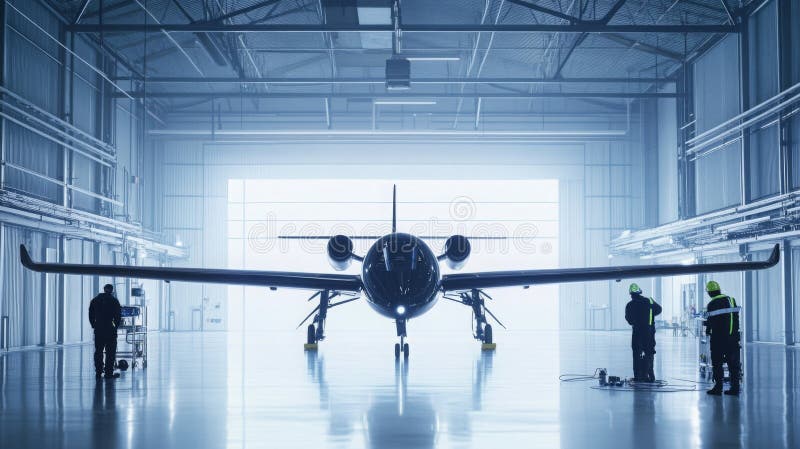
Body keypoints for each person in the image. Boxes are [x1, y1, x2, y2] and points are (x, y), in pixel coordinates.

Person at [703, 280, 741, 396]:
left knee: (717, 363)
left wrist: (707, 330)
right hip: (733, 337)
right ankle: (735, 388)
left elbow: (711, 322)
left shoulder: (712, 304)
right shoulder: (731, 300)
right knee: (733, 364)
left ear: (709, 293)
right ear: (719, 289)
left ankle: (718, 387)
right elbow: (735, 318)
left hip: (718, 339)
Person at [625, 283, 662, 382]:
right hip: (649, 332)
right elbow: (659, 309)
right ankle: (650, 376)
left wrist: (636, 321)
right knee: (649, 352)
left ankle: (638, 377)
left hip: (637, 332)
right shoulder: (649, 301)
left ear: (631, 294)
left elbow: (629, 320)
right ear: (639, 292)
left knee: (636, 354)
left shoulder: (629, 305)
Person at [89, 284, 122, 380]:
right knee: (110, 352)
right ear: (111, 291)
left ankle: (98, 372)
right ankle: (108, 373)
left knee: (98, 351)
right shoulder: (114, 301)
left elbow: (90, 313)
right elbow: (118, 316)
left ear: (104, 289)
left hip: (99, 329)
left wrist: (93, 324)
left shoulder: (95, 300)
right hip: (110, 329)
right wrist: (115, 326)